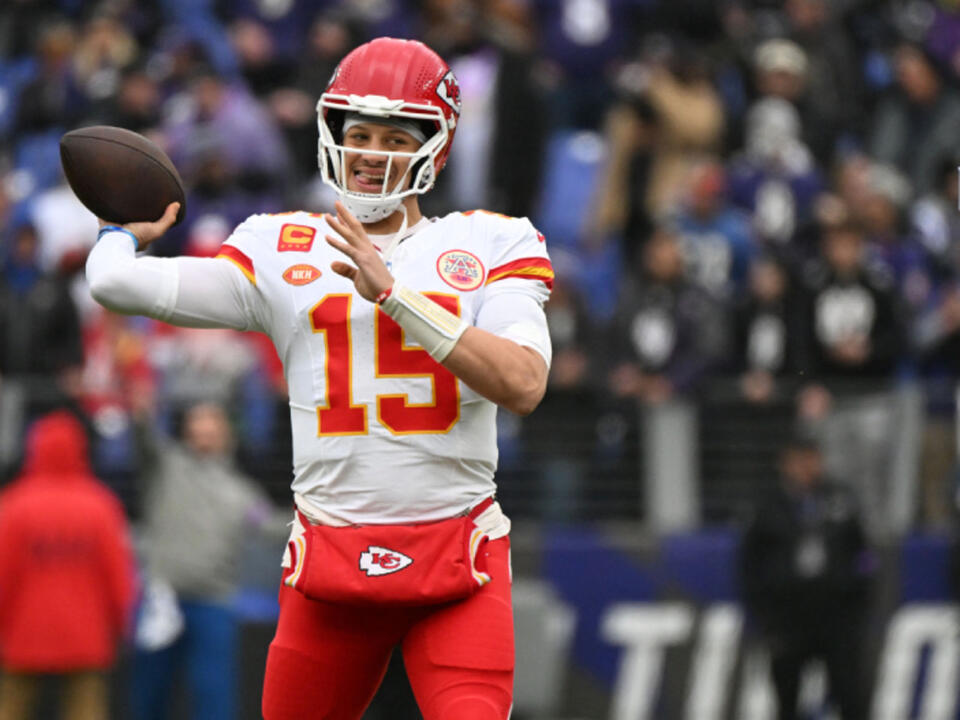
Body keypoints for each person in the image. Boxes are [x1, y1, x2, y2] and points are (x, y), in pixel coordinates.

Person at [85, 36, 553, 720]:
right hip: (331, 569)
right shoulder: (282, 247)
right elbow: (114, 282)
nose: (367, 152)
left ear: (436, 145)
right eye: (356, 131)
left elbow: (524, 383)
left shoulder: (490, 242)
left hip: (458, 562)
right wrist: (120, 228)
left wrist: (394, 296)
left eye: (392, 136)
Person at [130, 401, 289, 720]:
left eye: (212, 421)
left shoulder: (242, 491)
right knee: (149, 693)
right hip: (163, 598)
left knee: (214, 694)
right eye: (198, 420)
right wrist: (140, 409)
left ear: (227, 433)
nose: (205, 428)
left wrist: (316, 517)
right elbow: (144, 438)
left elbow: (270, 526)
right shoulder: (167, 467)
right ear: (187, 429)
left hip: (215, 601)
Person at [0, 410, 136, 720]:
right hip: (85, 633)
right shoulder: (100, 504)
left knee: (11, 707)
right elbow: (118, 574)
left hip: (24, 631)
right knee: (86, 709)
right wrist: (122, 621)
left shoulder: (14, 504)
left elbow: (2, 574)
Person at [740, 432, 874, 720]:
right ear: (785, 464)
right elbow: (750, 565)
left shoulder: (841, 498)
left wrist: (859, 597)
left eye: (811, 459)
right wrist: (763, 614)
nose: (806, 467)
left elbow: (863, 554)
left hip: (835, 615)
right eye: (798, 460)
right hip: (788, 617)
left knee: (851, 694)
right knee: (787, 696)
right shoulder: (767, 505)